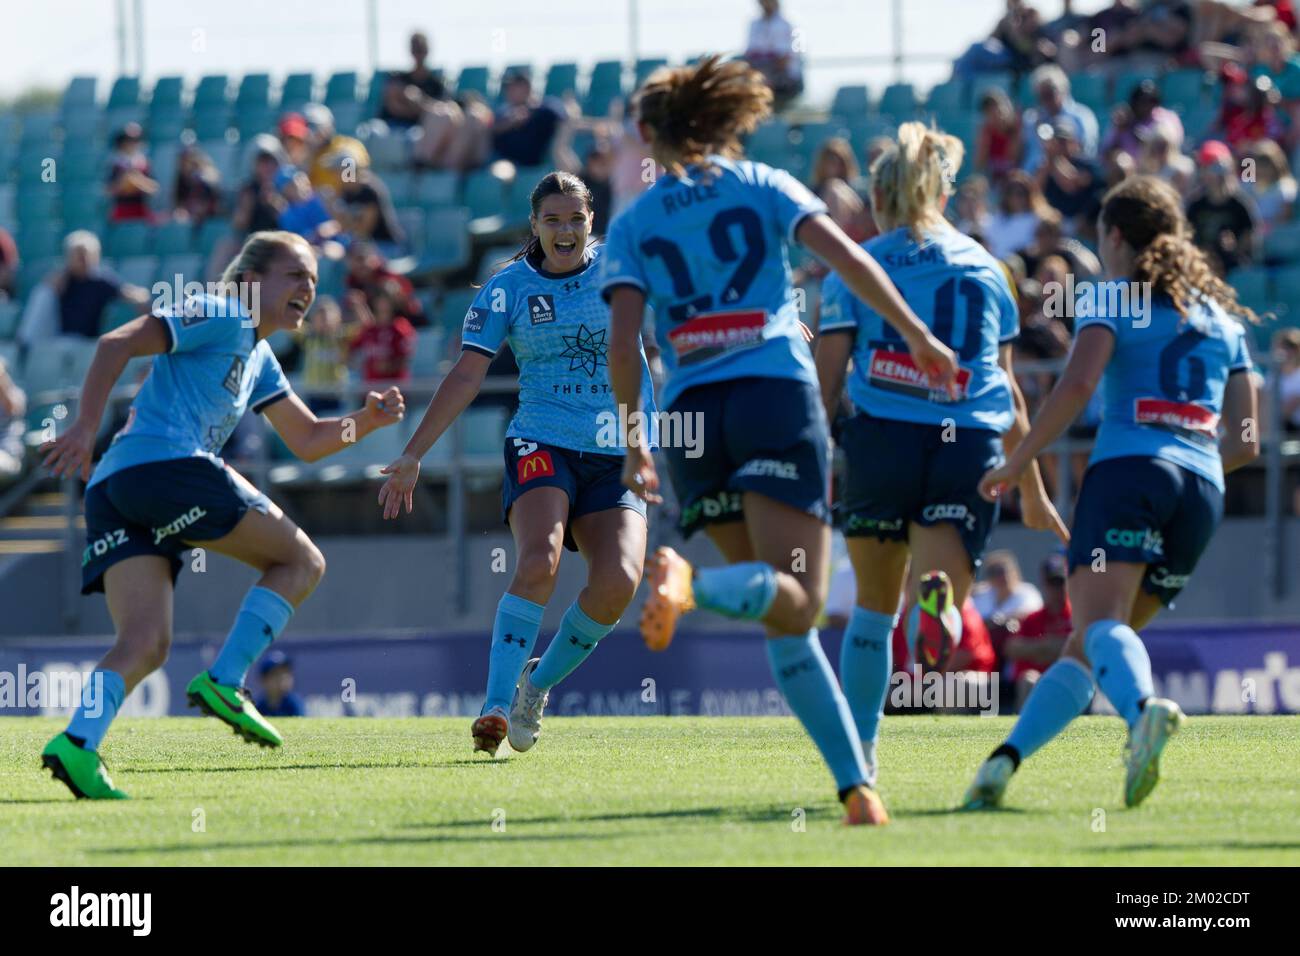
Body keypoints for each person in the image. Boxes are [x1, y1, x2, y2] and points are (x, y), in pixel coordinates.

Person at [603, 56, 959, 826]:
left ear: (647, 135)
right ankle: (692, 587)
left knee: (782, 616)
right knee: (798, 596)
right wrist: (916, 333)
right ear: (726, 119)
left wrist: (634, 441)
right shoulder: (762, 185)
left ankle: (857, 791)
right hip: (771, 393)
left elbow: (625, 342)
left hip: (693, 418)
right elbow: (849, 258)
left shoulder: (632, 222)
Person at [38, 230, 406, 799]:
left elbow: (307, 439)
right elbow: (115, 343)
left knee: (146, 642)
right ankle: (225, 680)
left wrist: (366, 421)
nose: (308, 288)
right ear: (251, 280)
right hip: (163, 469)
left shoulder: (259, 357)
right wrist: (85, 425)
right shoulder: (219, 312)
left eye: (312, 278)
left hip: (114, 491)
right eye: (294, 275)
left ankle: (78, 743)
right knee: (301, 562)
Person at [962, 175, 1260, 810]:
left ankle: (1144, 713)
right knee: (1094, 642)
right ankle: (1001, 765)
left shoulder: (1115, 298)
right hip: (1203, 491)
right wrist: (1190, 465)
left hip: (1129, 472)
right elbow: (1249, 441)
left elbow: (1073, 389)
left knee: (1098, 624)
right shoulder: (1221, 318)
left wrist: (1018, 461)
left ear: (1116, 236)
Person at [813, 122, 1066, 792]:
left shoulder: (858, 265)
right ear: (943, 191)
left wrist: (804, 455)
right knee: (944, 589)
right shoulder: (988, 268)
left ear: (883, 193)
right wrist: (1035, 493)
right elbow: (1010, 392)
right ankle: (942, 603)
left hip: (882, 437)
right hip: (970, 444)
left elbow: (826, 381)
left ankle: (861, 760)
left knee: (871, 608)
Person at [378, 171, 655, 758]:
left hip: (618, 449)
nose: (565, 230)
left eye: (575, 219)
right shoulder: (507, 290)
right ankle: (496, 705)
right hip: (541, 441)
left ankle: (536, 685)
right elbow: (466, 375)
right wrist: (411, 454)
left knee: (617, 584)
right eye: (552, 220)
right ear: (534, 225)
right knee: (538, 559)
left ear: (590, 222)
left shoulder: (622, 272)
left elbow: (690, 312)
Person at [1004, 552, 1073, 710]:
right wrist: (1049, 647)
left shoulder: (1077, 616)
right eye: (1052, 583)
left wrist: (1037, 650)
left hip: (1068, 679)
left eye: (1061, 582)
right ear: (1044, 584)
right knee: (1029, 679)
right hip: (1037, 680)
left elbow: (1078, 649)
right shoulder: (1033, 618)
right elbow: (1012, 648)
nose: (1057, 589)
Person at [1186, 140, 1262, 275]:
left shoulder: (1240, 205)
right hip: (1202, 271)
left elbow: (1250, 244)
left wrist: (1235, 248)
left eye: (1219, 167)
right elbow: (1189, 241)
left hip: (1234, 271)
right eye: (1210, 167)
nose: (1217, 173)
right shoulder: (1195, 206)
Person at [1020, 64, 1099, 172]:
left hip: (1073, 174)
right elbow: (1030, 153)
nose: (1046, 100)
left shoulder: (1082, 117)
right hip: (1038, 175)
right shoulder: (1032, 119)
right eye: (1042, 95)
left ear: (1064, 90)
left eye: (1050, 93)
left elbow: (1086, 151)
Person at [744, 0, 804, 108]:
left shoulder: (787, 24)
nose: (765, 4)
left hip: (783, 77)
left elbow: (784, 60)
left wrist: (763, 75)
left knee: (761, 80)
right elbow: (750, 54)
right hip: (760, 71)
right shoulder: (754, 24)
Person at [106, 123, 157, 222]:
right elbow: (109, 189)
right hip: (122, 211)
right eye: (129, 140)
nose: (133, 144)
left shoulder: (144, 163)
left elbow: (154, 188)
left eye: (136, 140)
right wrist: (126, 182)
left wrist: (138, 181)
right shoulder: (115, 164)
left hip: (141, 211)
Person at [254, 649, 306, 718]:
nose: (282, 678)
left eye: (286, 673)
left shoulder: (294, 704)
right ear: (264, 680)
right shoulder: (257, 706)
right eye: (276, 674)